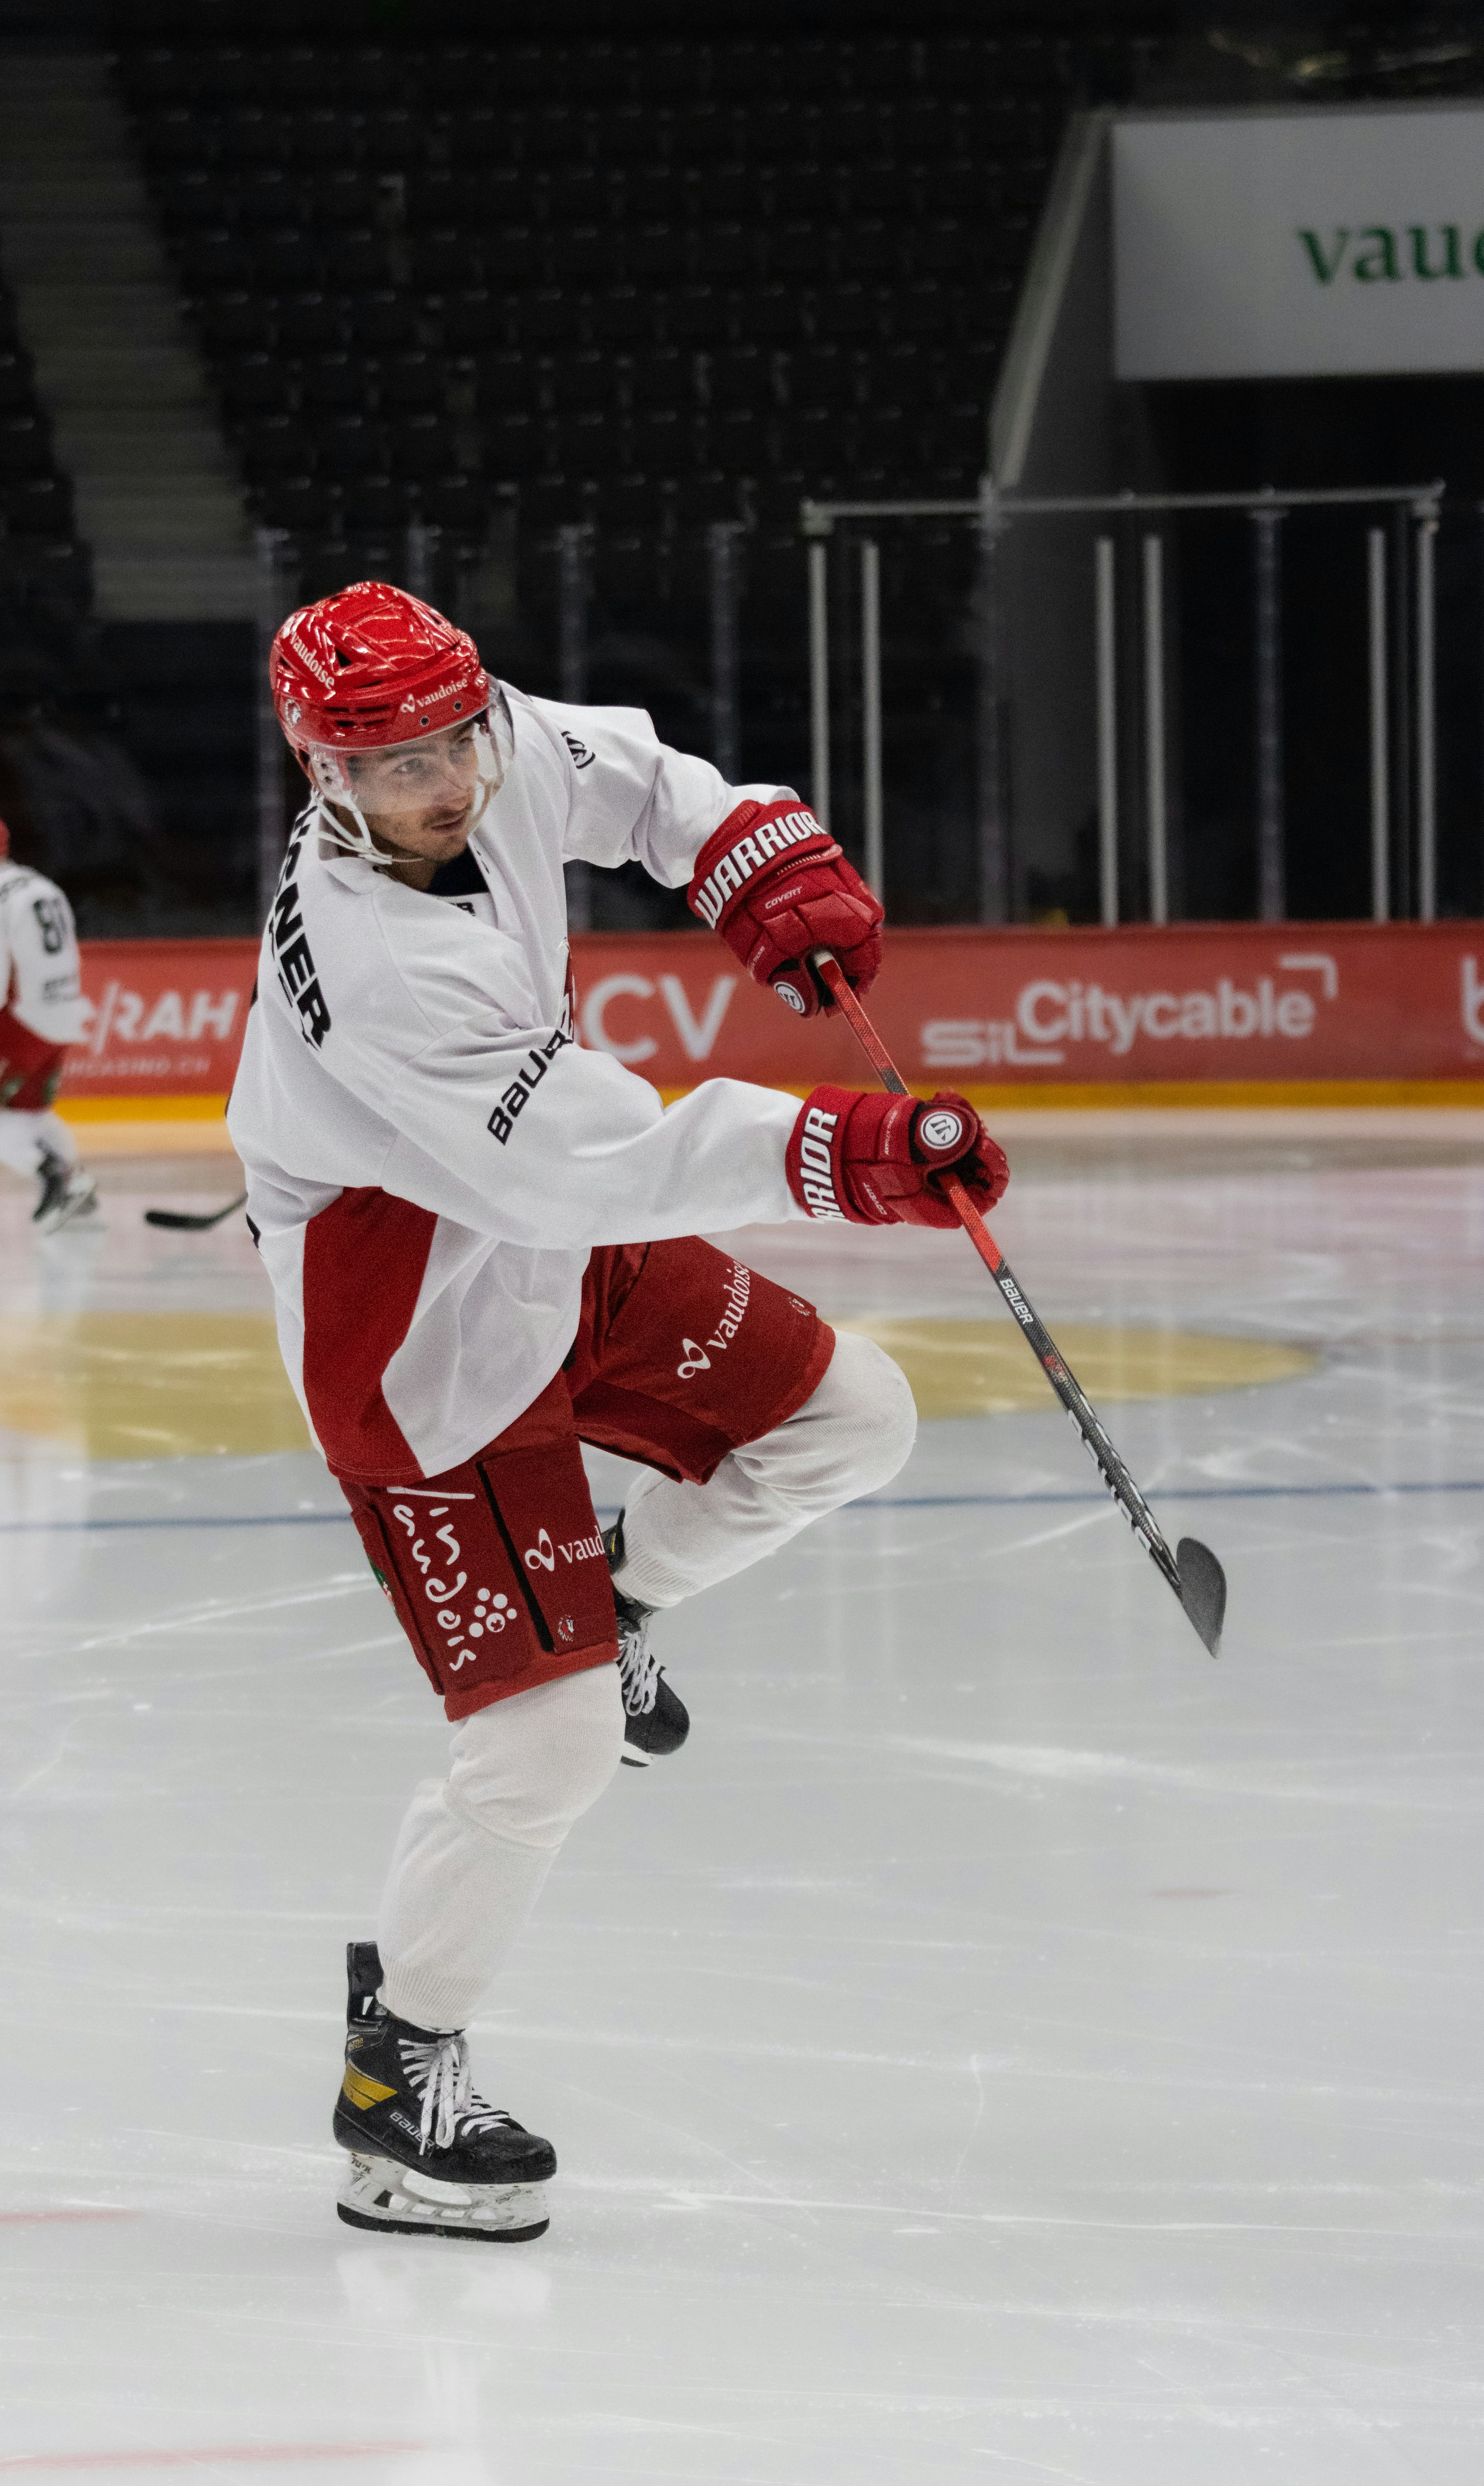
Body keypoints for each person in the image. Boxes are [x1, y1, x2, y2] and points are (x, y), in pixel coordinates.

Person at [227, 581, 1009, 2243]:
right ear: (320, 770)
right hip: (418, 1330)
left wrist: (761, 864)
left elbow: (639, 784)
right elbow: (586, 1152)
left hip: (544, 1244)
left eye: (454, 738)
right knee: (544, 1740)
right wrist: (848, 1155)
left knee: (847, 1419)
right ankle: (397, 2076)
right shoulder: (372, 968)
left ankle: (625, 1592)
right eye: (394, 763)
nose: (444, 781)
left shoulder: (491, 744)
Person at [0, 814, 97, 1233]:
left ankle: (55, 1176)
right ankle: (79, 1186)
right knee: (32, 1113)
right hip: (63, 1014)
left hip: (23, 1020)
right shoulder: (38, 884)